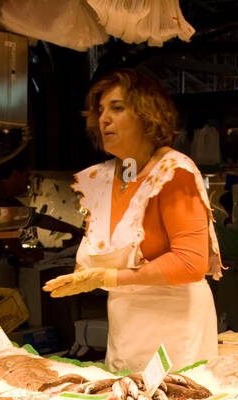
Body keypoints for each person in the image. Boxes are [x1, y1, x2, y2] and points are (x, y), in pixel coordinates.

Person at [44, 68, 222, 372]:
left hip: (177, 336)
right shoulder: (100, 178)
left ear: (146, 114)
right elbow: (101, 251)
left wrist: (108, 278)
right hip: (126, 335)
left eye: (117, 108)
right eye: (100, 110)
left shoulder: (174, 172)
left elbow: (191, 262)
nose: (103, 119)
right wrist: (82, 277)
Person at [0, 153, 84, 294]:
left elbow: (37, 219)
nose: (28, 183)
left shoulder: (7, 199)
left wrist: (74, 230)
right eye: (26, 176)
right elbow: (2, 230)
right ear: (15, 174)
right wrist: (24, 255)